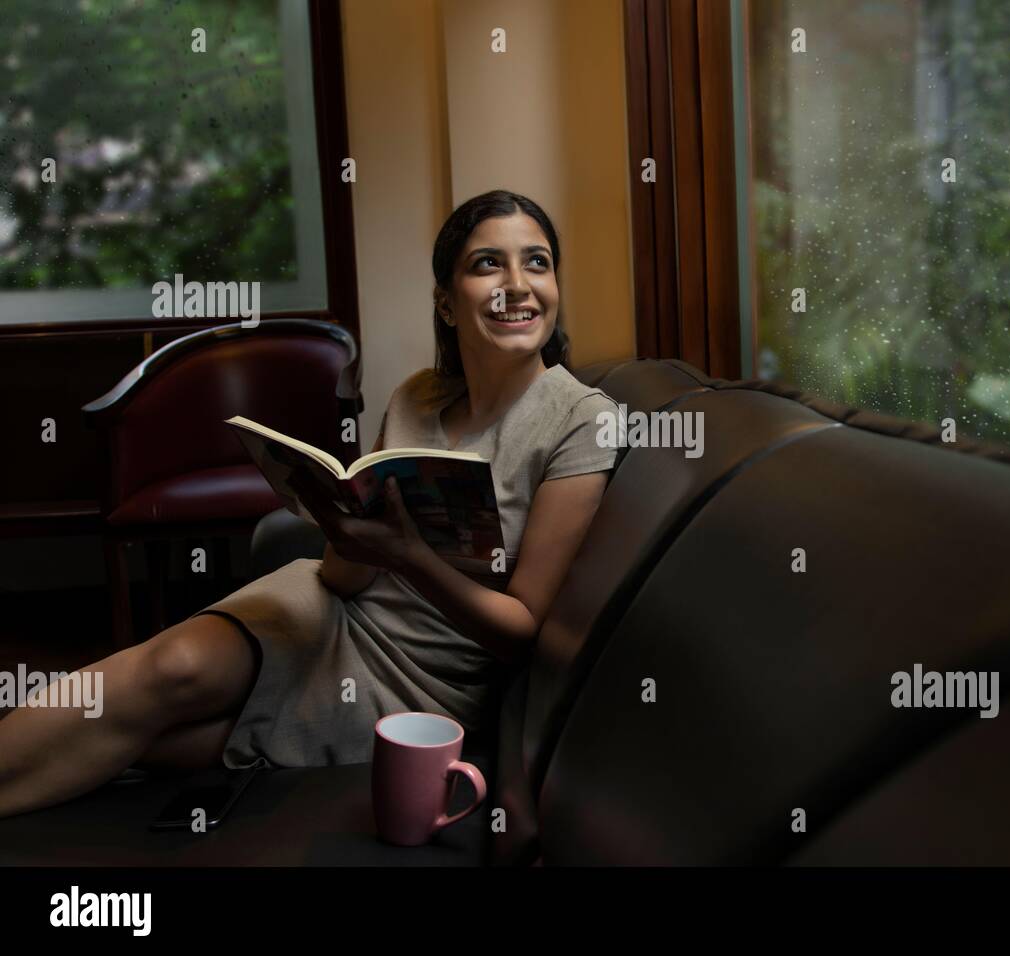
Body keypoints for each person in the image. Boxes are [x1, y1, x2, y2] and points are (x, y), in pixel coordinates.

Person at [0, 189, 625, 818]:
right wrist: (341, 523)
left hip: (422, 680)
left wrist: (407, 557)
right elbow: (342, 576)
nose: (516, 286)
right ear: (446, 300)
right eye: (488, 263)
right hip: (330, 604)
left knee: (157, 740)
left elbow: (522, 632)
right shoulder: (417, 396)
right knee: (171, 668)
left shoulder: (581, 420)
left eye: (537, 263)